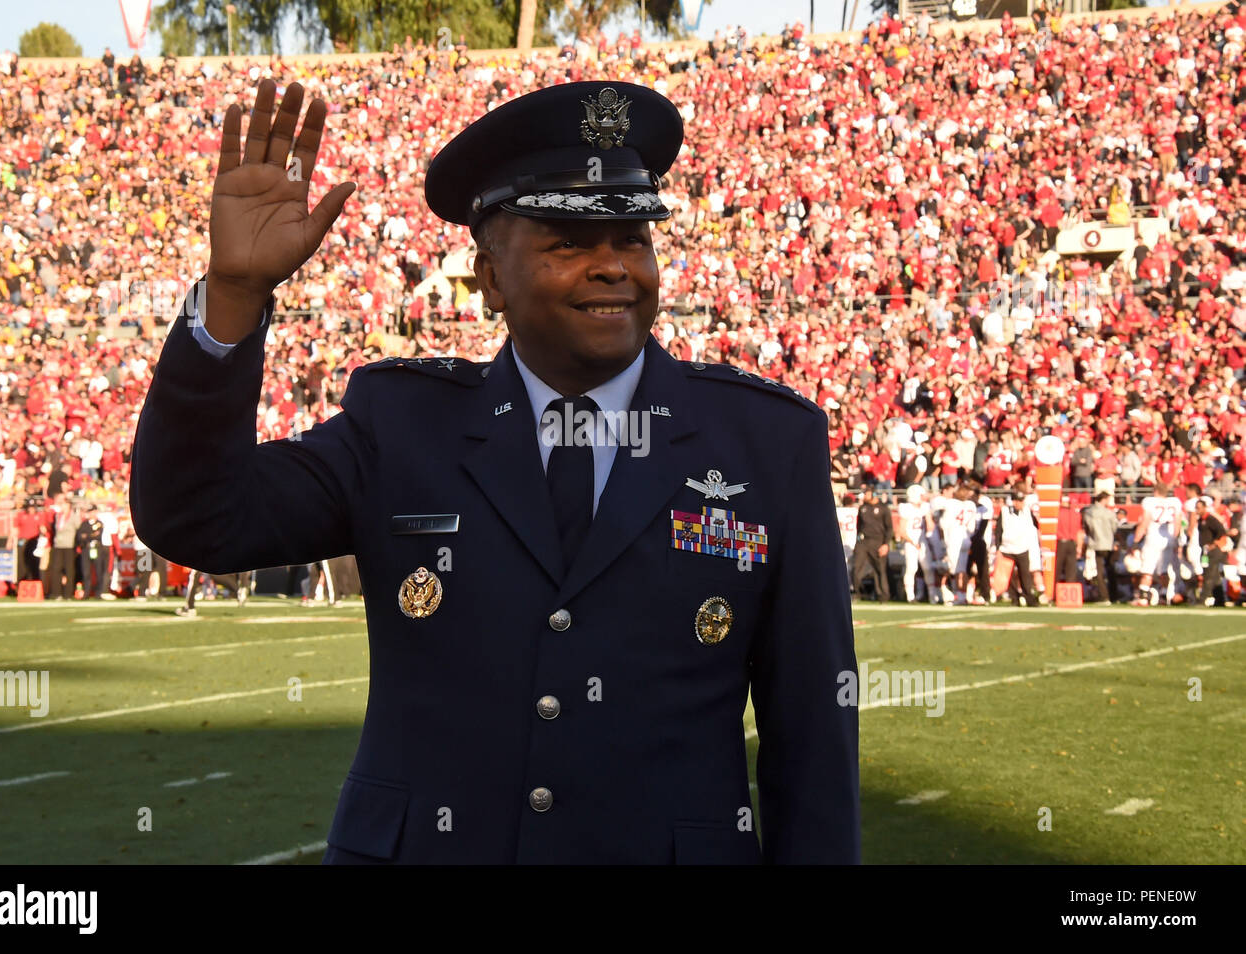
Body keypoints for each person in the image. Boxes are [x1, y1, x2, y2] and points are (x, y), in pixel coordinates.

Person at [129, 79, 858, 864]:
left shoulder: (764, 443)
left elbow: (812, 735)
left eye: (634, 238)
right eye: (568, 243)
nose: (613, 268)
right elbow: (194, 516)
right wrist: (236, 296)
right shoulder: (403, 425)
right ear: (489, 280)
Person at [995, 487, 1040, 606]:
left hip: (1022, 547)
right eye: (1018, 501)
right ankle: (1014, 597)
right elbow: (998, 530)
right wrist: (998, 547)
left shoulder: (1027, 512)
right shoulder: (1005, 511)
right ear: (1014, 501)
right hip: (1007, 548)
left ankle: (1029, 598)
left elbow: (1036, 525)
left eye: (1021, 501)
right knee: (1008, 577)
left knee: (1025, 576)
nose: (1020, 503)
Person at [851, 485, 894, 602]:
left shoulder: (883, 508)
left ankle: (883, 595)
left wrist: (885, 544)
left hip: (878, 541)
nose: (864, 496)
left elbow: (889, 528)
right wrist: (857, 541)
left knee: (880, 569)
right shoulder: (863, 508)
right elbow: (859, 526)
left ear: (873, 494)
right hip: (863, 541)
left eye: (866, 494)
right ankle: (856, 592)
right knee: (856, 567)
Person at [1082, 490, 1120, 604]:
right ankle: (1114, 596)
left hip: (1096, 543)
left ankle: (1104, 596)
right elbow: (1114, 528)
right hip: (1108, 543)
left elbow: (1087, 527)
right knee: (1110, 570)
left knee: (1099, 571)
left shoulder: (1089, 512)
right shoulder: (1110, 513)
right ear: (1103, 499)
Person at [1192, 497, 1231, 606]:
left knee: (1208, 575)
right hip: (1205, 551)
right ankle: (1220, 600)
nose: (1197, 510)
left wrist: (1214, 544)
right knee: (1214, 577)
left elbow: (1222, 532)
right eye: (1196, 508)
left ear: (1205, 508)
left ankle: (1202, 600)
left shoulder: (1210, 519)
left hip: (1213, 552)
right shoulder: (1201, 520)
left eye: (1199, 508)